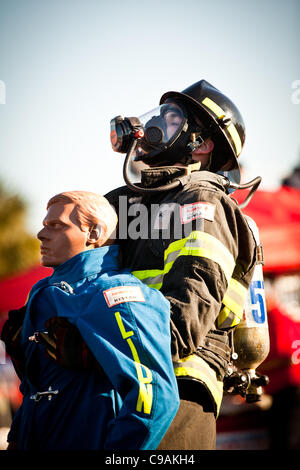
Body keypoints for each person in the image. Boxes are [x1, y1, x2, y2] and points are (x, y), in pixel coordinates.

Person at [105, 80, 258, 449]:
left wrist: (105, 350)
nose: (154, 124)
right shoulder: (128, 200)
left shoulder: (201, 200)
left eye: (172, 118)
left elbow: (186, 316)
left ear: (201, 145)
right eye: (159, 114)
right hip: (128, 376)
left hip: (177, 383)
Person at [1, 191, 179, 450]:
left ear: (94, 234)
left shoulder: (117, 295)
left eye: (57, 226)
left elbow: (156, 397)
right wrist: (17, 438)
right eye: (43, 225)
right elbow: (33, 389)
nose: (41, 234)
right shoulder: (42, 293)